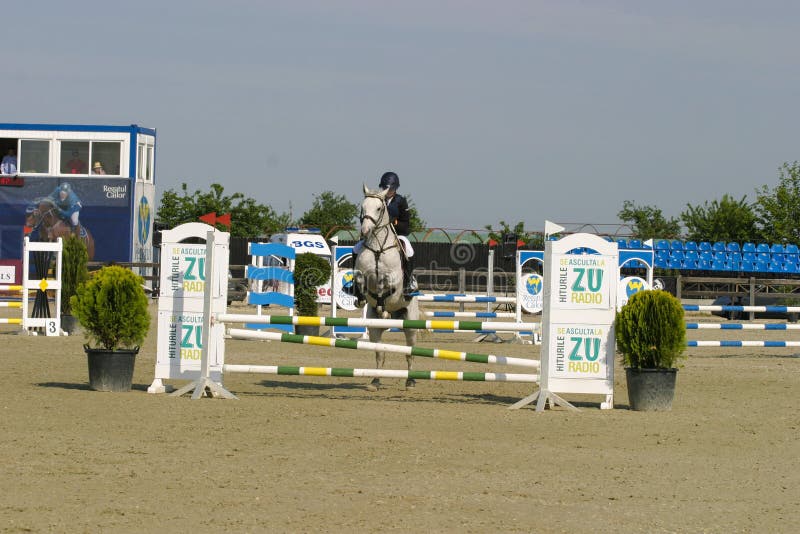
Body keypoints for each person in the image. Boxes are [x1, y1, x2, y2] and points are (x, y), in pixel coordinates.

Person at [350, 171, 418, 297]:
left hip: (396, 234)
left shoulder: (401, 201)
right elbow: (364, 217)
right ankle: (354, 283)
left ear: (395, 188)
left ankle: (409, 282)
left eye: (390, 188)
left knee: (409, 249)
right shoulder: (374, 200)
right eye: (384, 188)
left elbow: (406, 224)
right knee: (355, 249)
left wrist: (395, 222)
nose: (388, 191)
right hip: (374, 236)